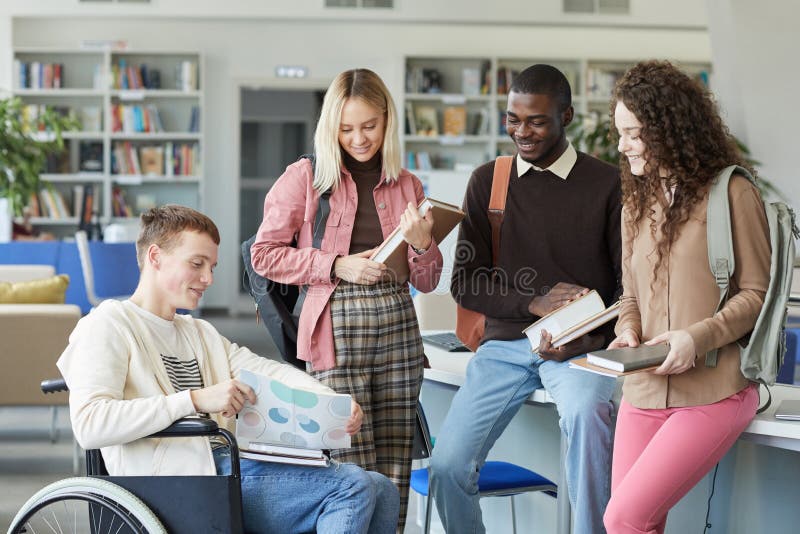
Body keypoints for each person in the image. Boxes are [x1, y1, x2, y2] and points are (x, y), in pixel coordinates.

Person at [57, 205, 400, 534]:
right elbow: (90, 424)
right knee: (351, 486)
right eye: (196, 264)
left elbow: (266, 370)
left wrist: (332, 399)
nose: (207, 278)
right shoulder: (108, 324)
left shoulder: (197, 332)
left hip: (222, 469)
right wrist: (194, 400)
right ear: (155, 257)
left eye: (212, 267)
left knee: (382, 488)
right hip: (174, 482)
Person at [430, 64, 622, 534]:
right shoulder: (488, 182)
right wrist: (534, 302)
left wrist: (589, 338)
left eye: (535, 120)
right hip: (504, 349)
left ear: (567, 116)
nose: (522, 131)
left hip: (581, 353)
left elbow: (627, 288)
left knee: (589, 417)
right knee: (447, 466)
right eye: (513, 119)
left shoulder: (609, 184)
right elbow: (466, 284)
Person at [250, 68, 444, 528]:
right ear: (330, 127)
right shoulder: (306, 178)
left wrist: (421, 245)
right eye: (346, 128)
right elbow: (263, 255)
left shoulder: (408, 185)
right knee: (349, 461)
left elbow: (429, 280)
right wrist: (337, 265)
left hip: (398, 325)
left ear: (387, 120)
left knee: (396, 461)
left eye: (369, 126)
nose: (359, 139)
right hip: (335, 329)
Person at [602, 60, 770, 533]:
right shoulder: (636, 199)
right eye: (620, 132)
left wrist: (696, 339)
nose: (622, 146)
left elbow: (757, 294)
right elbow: (629, 293)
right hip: (644, 390)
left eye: (633, 133)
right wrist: (628, 329)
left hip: (714, 393)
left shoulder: (733, 192)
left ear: (668, 128)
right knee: (637, 525)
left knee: (623, 517)